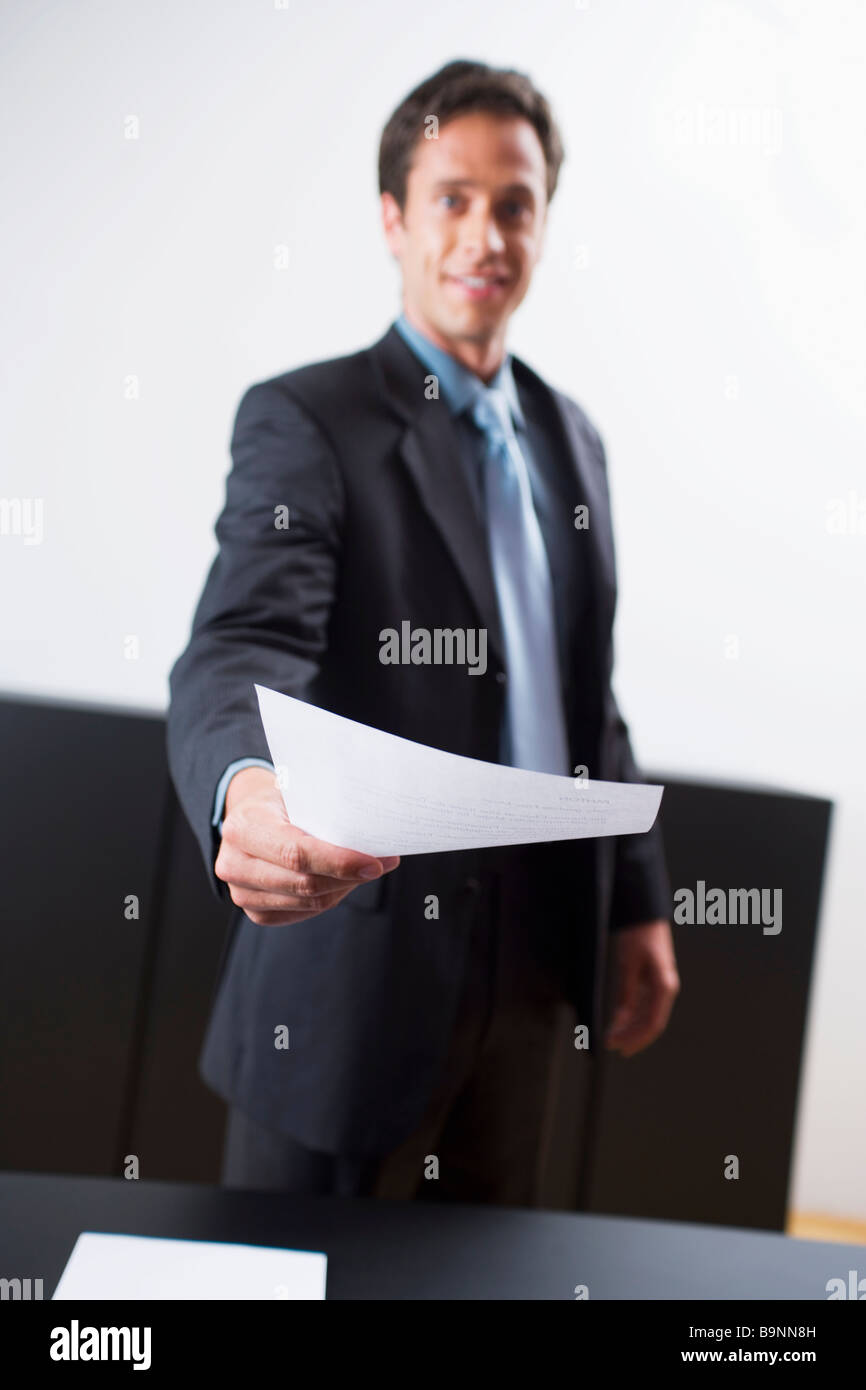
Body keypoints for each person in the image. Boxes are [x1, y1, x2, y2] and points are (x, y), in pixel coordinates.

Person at [166, 58, 680, 1205]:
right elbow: (237, 647)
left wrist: (637, 898)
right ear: (394, 219)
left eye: (515, 203)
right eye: (451, 197)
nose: (484, 233)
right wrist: (245, 790)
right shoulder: (309, 421)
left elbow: (582, 690)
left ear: (543, 225)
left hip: (539, 966)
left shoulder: (570, 437)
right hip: (355, 982)